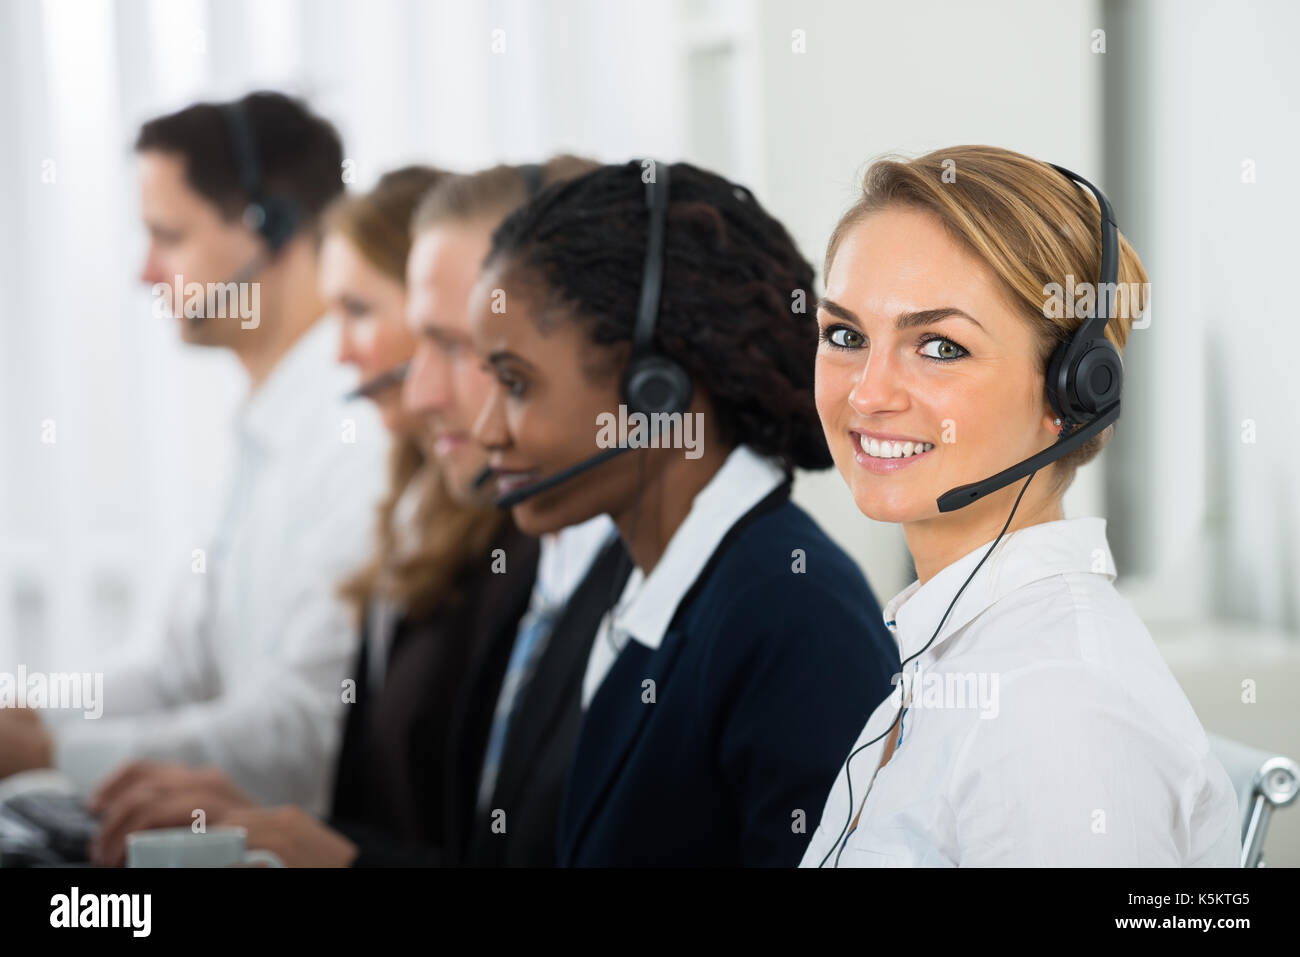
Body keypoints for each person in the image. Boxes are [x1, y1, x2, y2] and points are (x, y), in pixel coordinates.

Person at [92, 158, 620, 868]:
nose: (340, 352)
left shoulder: (537, 545)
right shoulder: (427, 513)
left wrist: (337, 855)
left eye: (362, 310)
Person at [800, 145, 1240, 867]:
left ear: (1073, 395)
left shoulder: (1057, 709)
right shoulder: (956, 648)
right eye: (845, 336)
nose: (867, 393)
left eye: (939, 346)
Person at [467, 159, 898, 866]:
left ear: (656, 392)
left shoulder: (794, 617)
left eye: (516, 383)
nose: (487, 428)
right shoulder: (644, 585)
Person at [0, 92, 389, 813]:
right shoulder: (265, 425)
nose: (146, 273)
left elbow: (303, 734)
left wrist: (51, 755)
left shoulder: (354, 434)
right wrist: (30, 717)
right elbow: (176, 670)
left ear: (269, 228)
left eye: (168, 236)